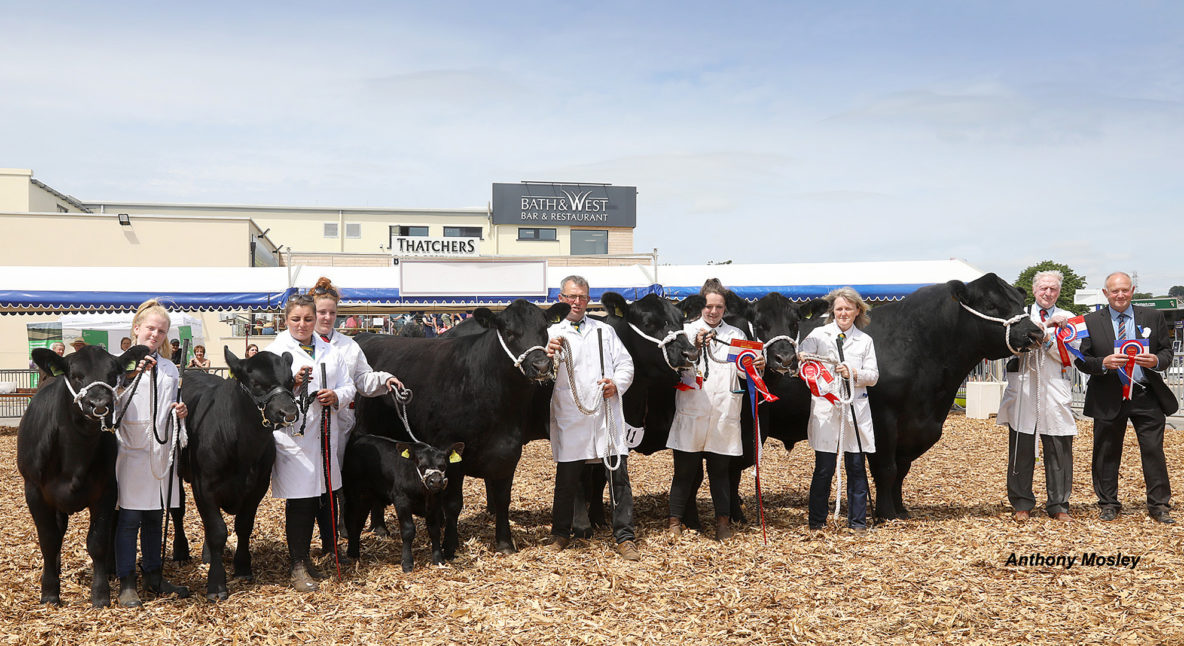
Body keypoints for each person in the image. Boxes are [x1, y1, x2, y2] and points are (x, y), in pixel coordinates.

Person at [307, 277, 404, 555]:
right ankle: (308, 541)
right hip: (306, 425)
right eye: (321, 312)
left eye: (332, 313)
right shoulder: (300, 343)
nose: (327, 317)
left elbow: (363, 379)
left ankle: (336, 537)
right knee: (307, 486)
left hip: (341, 424)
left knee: (336, 484)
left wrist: (386, 380)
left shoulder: (349, 346)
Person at [265, 294, 356, 591]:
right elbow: (265, 393)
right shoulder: (276, 350)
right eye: (296, 319)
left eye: (308, 318)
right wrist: (292, 384)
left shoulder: (330, 350)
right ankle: (298, 564)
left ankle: (316, 557)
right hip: (294, 438)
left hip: (325, 433)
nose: (302, 324)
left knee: (322, 495)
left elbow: (348, 385)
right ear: (285, 320)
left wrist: (337, 396)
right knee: (301, 500)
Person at [544, 275, 638, 560]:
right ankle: (560, 534)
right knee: (567, 478)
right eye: (572, 297)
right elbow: (538, 373)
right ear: (561, 298)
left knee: (618, 477)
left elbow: (626, 363)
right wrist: (547, 356)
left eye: (582, 297)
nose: (577, 302)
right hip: (571, 414)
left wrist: (617, 385)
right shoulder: (550, 333)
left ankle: (625, 536)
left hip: (605, 414)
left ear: (588, 300)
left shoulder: (604, 330)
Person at [1075, 271, 1177, 524]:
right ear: (1105, 293)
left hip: (1146, 393)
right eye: (1114, 291)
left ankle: (1159, 505)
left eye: (1124, 290)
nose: (1120, 295)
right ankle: (1108, 503)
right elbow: (1082, 360)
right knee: (1106, 453)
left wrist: (1156, 360)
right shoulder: (1089, 321)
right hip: (1108, 396)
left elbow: (1166, 350)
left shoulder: (1153, 316)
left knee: (1153, 451)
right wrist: (1103, 363)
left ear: (1132, 291)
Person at [667, 278, 763, 541]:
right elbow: (676, 365)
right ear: (701, 306)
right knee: (684, 472)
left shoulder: (737, 335)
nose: (713, 311)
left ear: (725, 308)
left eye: (719, 307)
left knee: (720, 473)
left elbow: (744, 373)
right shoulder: (685, 332)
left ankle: (722, 523)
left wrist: (756, 365)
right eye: (709, 306)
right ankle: (674, 521)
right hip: (692, 409)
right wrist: (694, 347)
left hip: (724, 412)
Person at [113, 299, 191, 607]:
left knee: (155, 518)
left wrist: (180, 412)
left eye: (161, 331)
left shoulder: (170, 367)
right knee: (130, 518)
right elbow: (113, 404)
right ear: (136, 329)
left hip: (160, 453)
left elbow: (167, 404)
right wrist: (131, 377)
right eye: (150, 328)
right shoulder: (119, 365)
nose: (155, 335)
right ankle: (126, 582)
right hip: (131, 451)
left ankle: (154, 576)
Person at [996, 270, 1078, 522]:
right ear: (1034, 290)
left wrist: (1048, 339)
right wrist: (1038, 332)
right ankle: (1021, 503)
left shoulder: (1070, 318)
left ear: (1059, 292)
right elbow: (1008, 346)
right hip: (1024, 386)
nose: (1048, 293)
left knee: (1058, 446)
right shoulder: (1020, 316)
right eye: (1043, 288)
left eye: (1053, 289)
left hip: (1054, 385)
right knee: (1021, 445)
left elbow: (1074, 355)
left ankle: (1059, 504)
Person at [799, 287, 879, 531]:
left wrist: (853, 373)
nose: (843, 313)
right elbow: (802, 353)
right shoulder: (818, 334)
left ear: (857, 311)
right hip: (826, 409)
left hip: (854, 410)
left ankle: (857, 522)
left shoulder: (865, 341)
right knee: (823, 468)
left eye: (848, 309)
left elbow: (873, 376)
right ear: (832, 312)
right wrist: (803, 355)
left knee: (856, 467)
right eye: (839, 309)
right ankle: (817, 522)